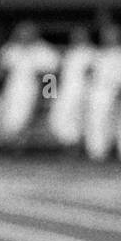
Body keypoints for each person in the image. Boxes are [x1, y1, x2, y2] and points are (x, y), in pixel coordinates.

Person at [0, 22, 59, 144]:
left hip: (32, 92)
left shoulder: (45, 51)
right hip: (13, 90)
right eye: (21, 32)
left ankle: (22, 148)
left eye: (27, 32)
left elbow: (51, 77)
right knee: (10, 121)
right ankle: (14, 147)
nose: (24, 35)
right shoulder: (11, 49)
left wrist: (48, 98)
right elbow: (2, 70)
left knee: (25, 120)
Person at [84, 22, 121, 161]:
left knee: (105, 122)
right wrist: (49, 94)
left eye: (111, 35)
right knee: (93, 121)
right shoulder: (98, 53)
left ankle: (103, 152)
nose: (108, 37)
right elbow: (50, 78)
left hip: (111, 91)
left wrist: (119, 92)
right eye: (106, 35)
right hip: (94, 91)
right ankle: (94, 152)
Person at [48, 24, 95, 153]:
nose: (77, 37)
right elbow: (52, 74)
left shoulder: (92, 53)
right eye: (75, 35)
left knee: (75, 122)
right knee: (56, 120)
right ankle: (66, 147)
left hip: (81, 91)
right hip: (64, 91)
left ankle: (74, 150)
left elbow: (93, 75)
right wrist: (48, 94)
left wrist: (87, 94)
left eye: (80, 35)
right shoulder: (67, 53)